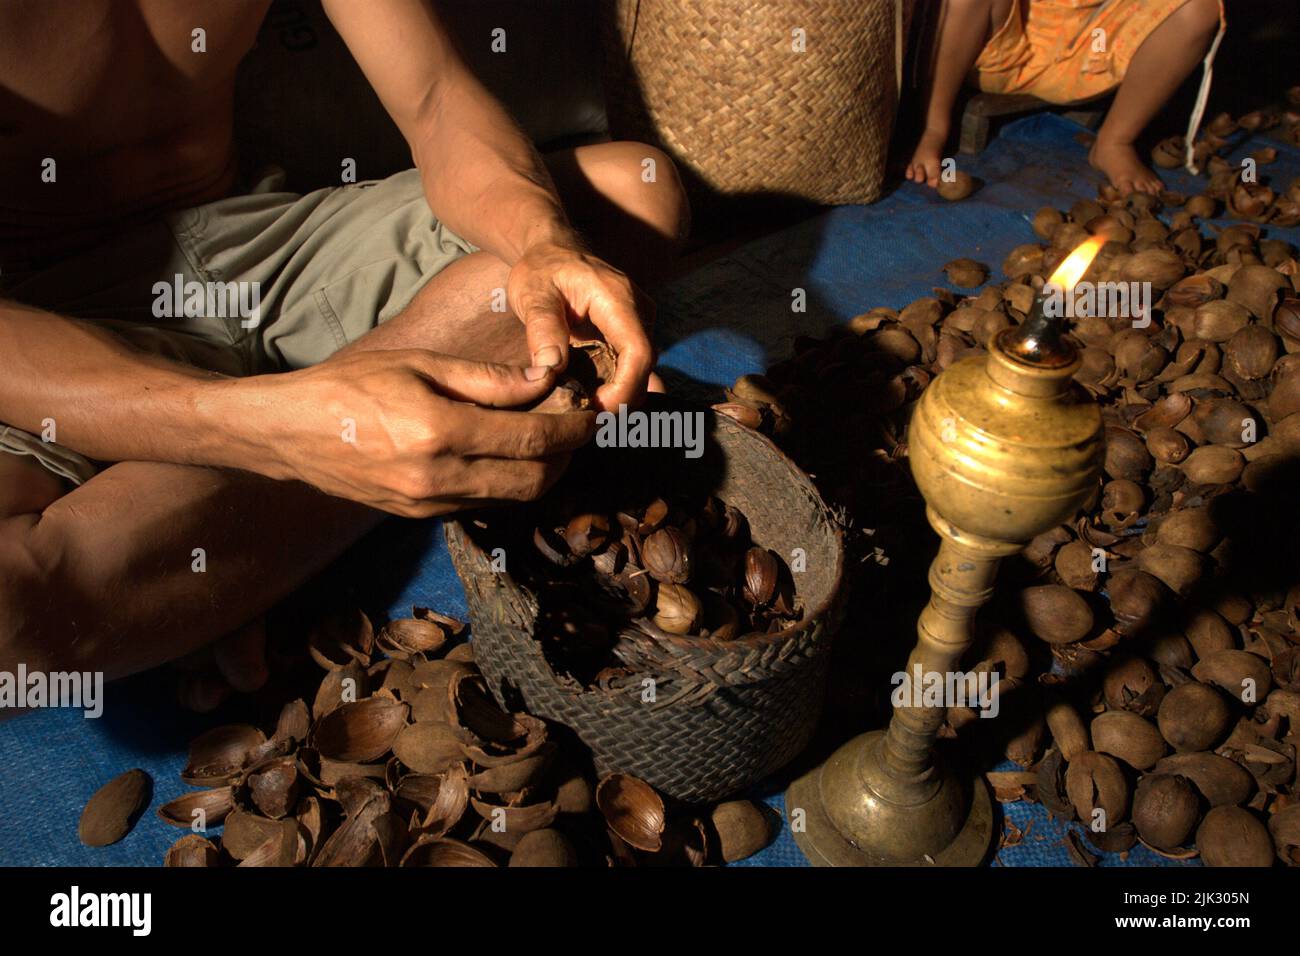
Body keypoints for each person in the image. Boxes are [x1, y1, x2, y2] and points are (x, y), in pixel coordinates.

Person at [0, 0, 689, 705]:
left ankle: (228, 557)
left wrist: (545, 244)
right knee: (11, 617)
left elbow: (435, 98)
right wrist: (281, 431)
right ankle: (294, 507)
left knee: (633, 194)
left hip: (266, 245)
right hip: (39, 320)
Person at [905, 0, 1226, 195]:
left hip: (1095, 50)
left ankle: (1115, 140)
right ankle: (933, 126)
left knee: (1199, 9)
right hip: (1004, 41)